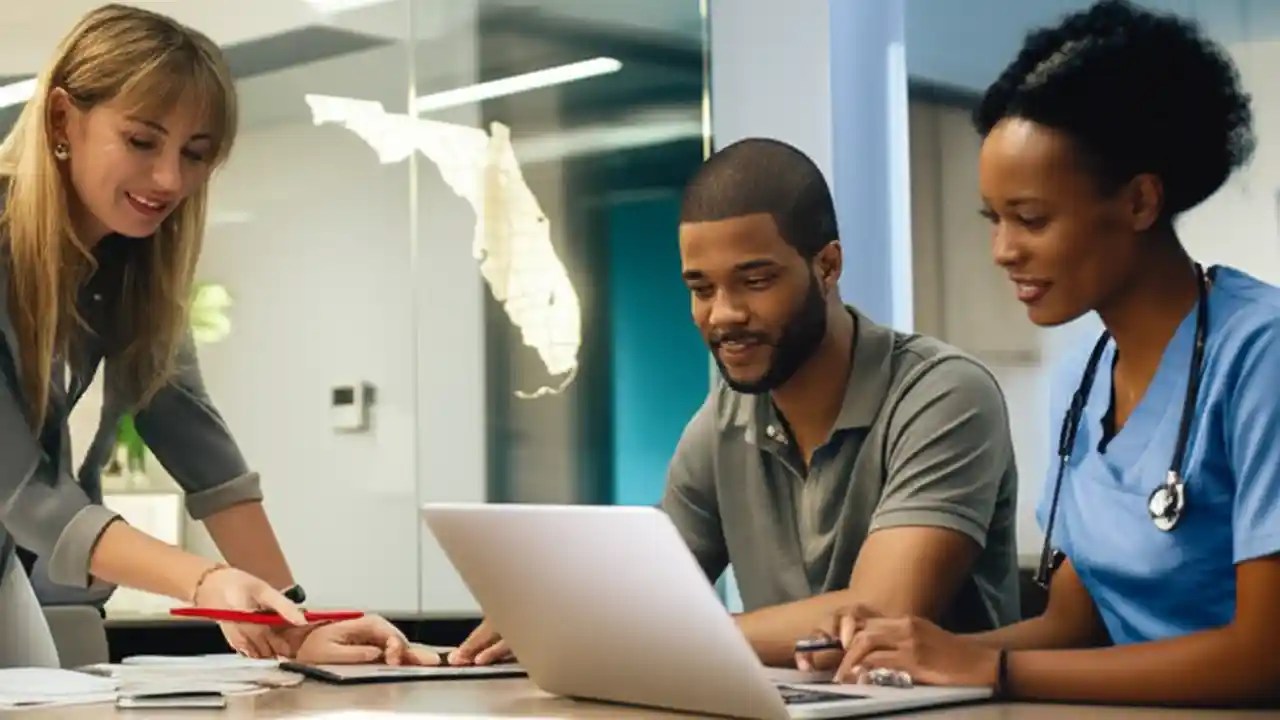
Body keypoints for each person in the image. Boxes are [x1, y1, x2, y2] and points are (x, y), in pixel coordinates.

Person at [800, 0, 1280, 706]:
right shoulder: (1081, 384)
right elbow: (1075, 625)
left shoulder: (1260, 355)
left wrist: (991, 669)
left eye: (1030, 219)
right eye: (994, 220)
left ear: (1141, 202)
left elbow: (1263, 655)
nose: (1003, 251)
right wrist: (903, 650)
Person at [450, 137, 1022, 668]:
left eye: (755, 281)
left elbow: (879, 612)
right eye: (701, 289)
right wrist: (545, 617)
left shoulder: (944, 395)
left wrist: (634, 631)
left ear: (827, 266)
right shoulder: (724, 421)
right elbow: (638, 592)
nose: (723, 314)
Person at [0, 4, 425, 668]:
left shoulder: (128, 271)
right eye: (142, 141)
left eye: (195, 154)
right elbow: (24, 491)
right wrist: (202, 581)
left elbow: (201, 448)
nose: (170, 179)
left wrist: (296, 623)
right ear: (61, 120)